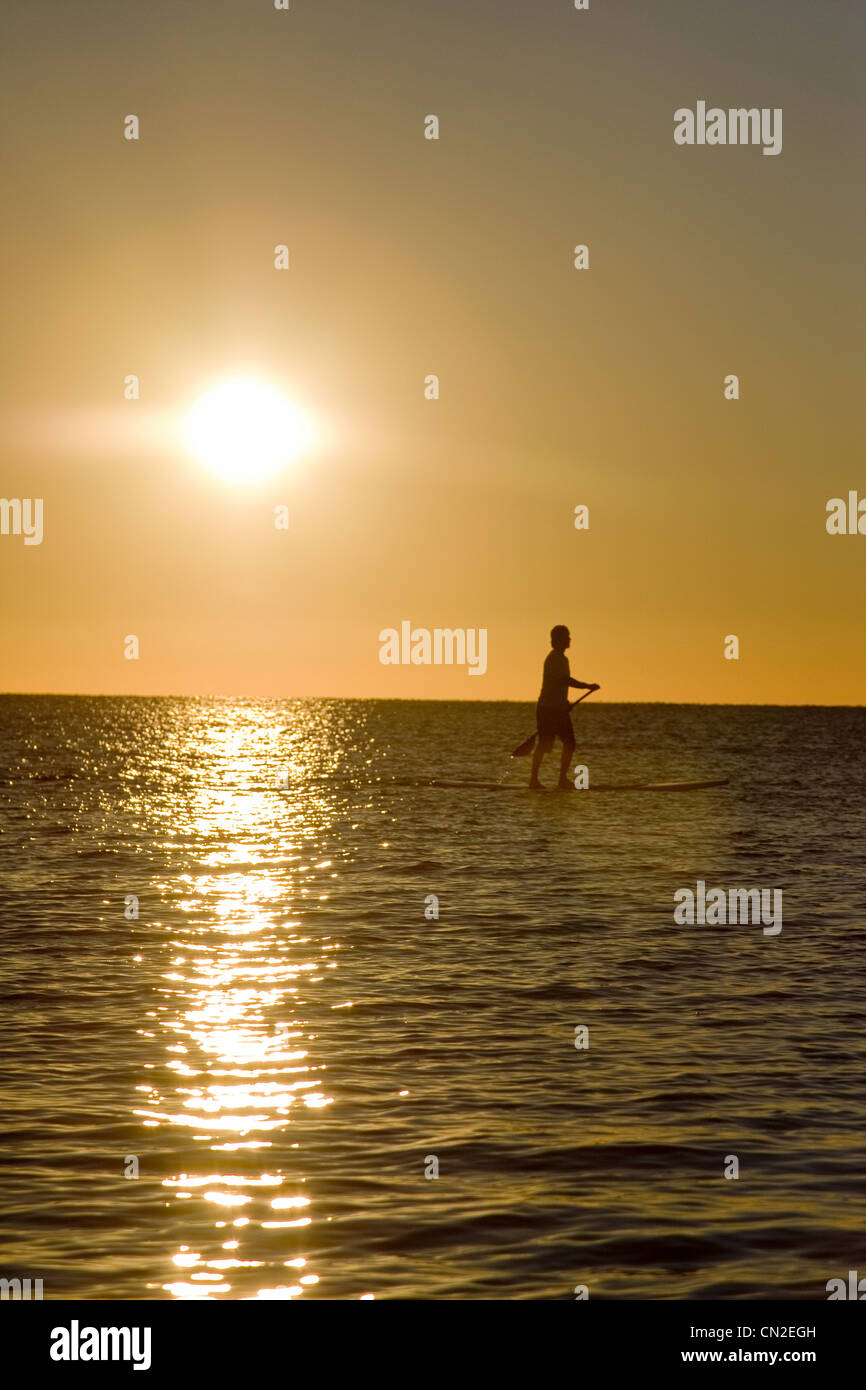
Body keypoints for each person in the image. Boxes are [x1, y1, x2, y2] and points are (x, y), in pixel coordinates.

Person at [530, 625, 599, 789]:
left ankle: (562, 779)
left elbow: (559, 685)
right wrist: (587, 686)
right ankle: (533, 780)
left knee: (569, 743)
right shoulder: (554, 659)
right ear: (558, 640)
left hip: (559, 709)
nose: (570, 639)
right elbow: (564, 680)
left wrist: (564, 702)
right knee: (545, 744)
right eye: (567, 636)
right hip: (547, 709)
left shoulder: (563, 659)